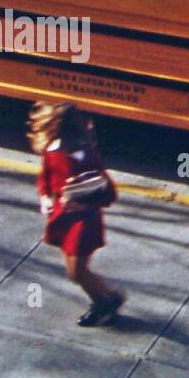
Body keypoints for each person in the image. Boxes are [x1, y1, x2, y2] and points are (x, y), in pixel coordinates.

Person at [28, 102, 126, 328]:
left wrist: (83, 203)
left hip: (84, 223)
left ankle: (106, 300)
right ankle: (106, 298)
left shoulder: (84, 156)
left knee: (76, 272)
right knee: (76, 270)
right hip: (65, 218)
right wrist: (45, 198)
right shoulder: (54, 152)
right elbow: (46, 178)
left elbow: (108, 192)